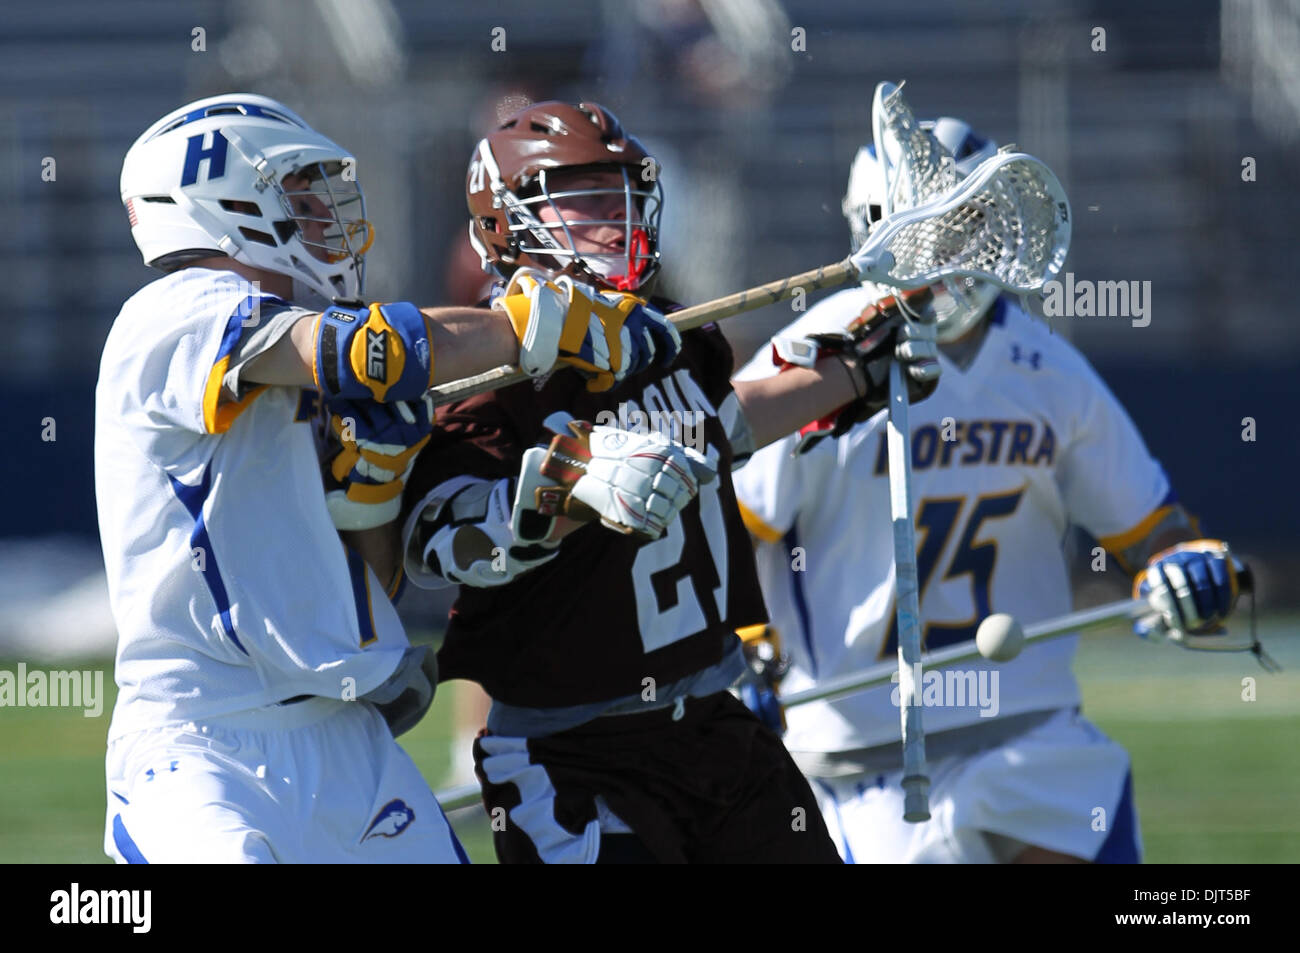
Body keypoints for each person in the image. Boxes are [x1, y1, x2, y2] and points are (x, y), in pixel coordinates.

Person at [97, 93, 671, 863]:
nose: (323, 213)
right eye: (298, 194)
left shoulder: (284, 351)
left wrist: (373, 490)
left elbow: (375, 586)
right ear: (220, 203)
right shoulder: (174, 313)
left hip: (345, 734)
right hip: (203, 744)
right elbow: (376, 350)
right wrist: (544, 324)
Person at [395, 100, 940, 863]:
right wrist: (569, 486)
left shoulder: (665, 333)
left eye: (623, 195)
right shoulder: (493, 373)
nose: (614, 220)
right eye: (585, 200)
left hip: (712, 721)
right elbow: (436, 542)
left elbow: (726, 427)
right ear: (505, 223)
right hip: (573, 753)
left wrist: (855, 370)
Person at [730, 116, 1256, 864]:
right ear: (877, 226)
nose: (951, 251)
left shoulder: (1044, 365)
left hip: (1028, 727)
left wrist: (1184, 569)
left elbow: (1151, 531)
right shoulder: (808, 359)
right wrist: (743, 644)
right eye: (930, 229)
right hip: (858, 752)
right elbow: (722, 524)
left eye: (969, 224)